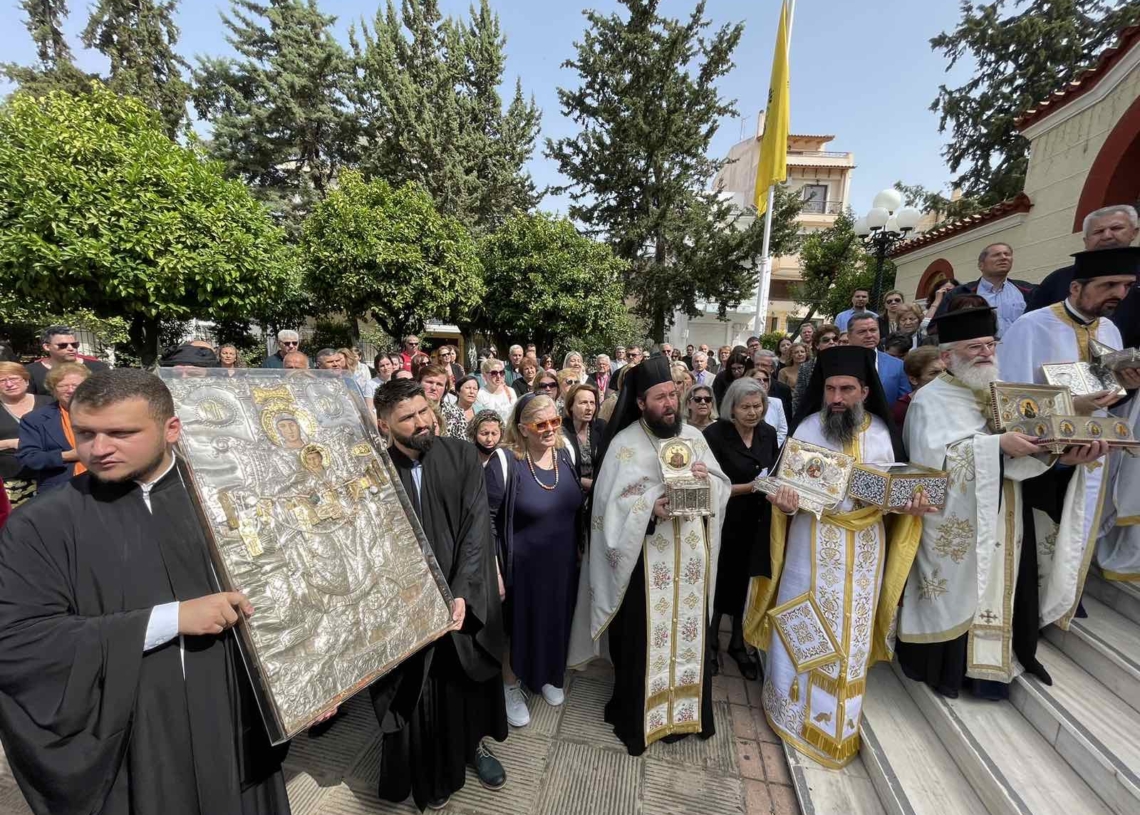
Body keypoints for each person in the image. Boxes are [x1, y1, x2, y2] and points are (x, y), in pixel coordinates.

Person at [0, 369, 290, 814]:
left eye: (121, 433)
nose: (98, 449)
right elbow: (16, 641)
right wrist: (167, 620)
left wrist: (306, 686)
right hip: (135, 734)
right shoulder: (41, 525)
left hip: (233, 715)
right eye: (85, 433)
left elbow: (290, 591)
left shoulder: (236, 497)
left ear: (172, 428)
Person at [897, 307, 1107, 699]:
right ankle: (952, 669)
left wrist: (1059, 456)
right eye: (973, 347)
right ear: (946, 357)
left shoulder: (1005, 392)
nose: (985, 353)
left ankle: (996, 665)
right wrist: (997, 445)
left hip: (1006, 508)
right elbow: (934, 463)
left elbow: (1032, 442)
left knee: (1003, 583)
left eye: (990, 345)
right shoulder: (930, 400)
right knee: (964, 588)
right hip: (958, 518)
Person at [743, 346, 931, 768]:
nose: (837, 398)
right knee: (802, 619)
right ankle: (791, 711)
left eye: (847, 388)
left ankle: (838, 724)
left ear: (864, 390)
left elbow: (894, 494)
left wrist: (910, 505)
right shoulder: (809, 427)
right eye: (830, 388)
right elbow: (780, 488)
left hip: (865, 549)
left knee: (851, 633)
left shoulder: (882, 434)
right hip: (809, 547)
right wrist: (786, 502)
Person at [567, 355, 730, 756]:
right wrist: (648, 508)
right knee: (645, 641)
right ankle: (639, 717)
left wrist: (705, 481)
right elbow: (607, 509)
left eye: (673, 395)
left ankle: (687, 713)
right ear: (641, 403)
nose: (669, 404)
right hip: (644, 564)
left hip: (690, 557)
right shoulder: (624, 445)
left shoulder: (693, 437)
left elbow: (722, 487)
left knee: (688, 634)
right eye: (659, 398)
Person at [370, 380, 508, 810]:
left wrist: (463, 591)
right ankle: (418, 767)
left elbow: (473, 528)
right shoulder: (371, 470)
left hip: (462, 594)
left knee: (466, 677)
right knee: (415, 689)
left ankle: (475, 748)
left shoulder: (461, 454)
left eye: (424, 410)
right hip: (405, 599)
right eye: (407, 418)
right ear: (383, 425)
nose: (422, 422)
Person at [1000, 246, 1140, 583]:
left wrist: (1124, 383)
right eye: (1108, 286)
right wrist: (1072, 407)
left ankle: (1067, 593)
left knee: (1080, 525)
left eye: (1126, 286)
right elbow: (1009, 404)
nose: (1119, 294)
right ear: (1076, 287)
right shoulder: (1031, 326)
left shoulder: (1109, 330)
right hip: (1043, 460)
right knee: (1038, 545)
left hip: (1093, 451)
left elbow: (1105, 395)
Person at [493, 394, 583, 727]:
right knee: (516, 626)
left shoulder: (565, 452)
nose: (549, 429)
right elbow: (486, 518)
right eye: (540, 424)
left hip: (561, 561)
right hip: (523, 565)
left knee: (555, 618)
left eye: (554, 421)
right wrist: (494, 569)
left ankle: (546, 673)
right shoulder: (505, 460)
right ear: (522, 429)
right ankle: (511, 684)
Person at [703, 378, 779, 681]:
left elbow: (774, 471)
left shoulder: (768, 433)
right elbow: (709, 485)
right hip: (724, 519)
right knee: (720, 581)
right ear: (731, 409)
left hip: (758, 520)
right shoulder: (715, 434)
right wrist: (751, 486)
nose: (752, 412)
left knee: (746, 582)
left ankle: (738, 643)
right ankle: (709, 644)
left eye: (757, 406)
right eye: (745, 407)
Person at [17, 362, 91, 492]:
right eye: (63, 386)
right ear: (53, 389)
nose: (70, 390)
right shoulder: (35, 419)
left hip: (106, 484)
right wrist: (67, 456)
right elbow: (29, 458)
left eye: (76, 385)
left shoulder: (106, 412)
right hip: (59, 490)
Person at [933, 243, 1035, 336]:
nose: (1004, 257)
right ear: (981, 265)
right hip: (980, 353)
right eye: (996, 255)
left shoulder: (1029, 291)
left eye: (1007, 254)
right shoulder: (959, 293)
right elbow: (936, 328)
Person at [0, 362, 52, 508]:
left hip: (51, 473)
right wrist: (10, 443)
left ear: (26, 380)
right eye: (2, 381)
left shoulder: (49, 403)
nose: (9, 384)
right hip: (10, 480)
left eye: (14, 378)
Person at [847, 313, 911, 406]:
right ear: (849, 337)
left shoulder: (898, 365)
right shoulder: (837, 364)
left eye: (873, 330)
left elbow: (903, 403)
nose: (869, 335)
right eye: (862, 331)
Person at [25, 326, 109, 395]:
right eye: (63, 345)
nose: (71, 348)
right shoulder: (31, 372)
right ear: (47, 347)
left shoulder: (99, 368)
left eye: (74, 344)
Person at [562, 383, 605, 494]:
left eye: (592, 403)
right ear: (571, 406)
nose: (589, 408)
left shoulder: (601, 427)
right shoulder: (561, 431)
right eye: (583, 403)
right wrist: (589, 484)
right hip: (569, 491)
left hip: (597, 493)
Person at [791, 324, 840, 415]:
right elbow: (798, 398)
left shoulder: (845, 365)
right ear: (817, 345)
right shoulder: (806, 367)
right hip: (813, 416)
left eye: (835, 339)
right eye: (826, 340)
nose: (832, 342)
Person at [892, 346, 944, 428]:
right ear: (913, 379)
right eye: (934, 373)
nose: (943, 377)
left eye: (945, 371)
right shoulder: (903, 409)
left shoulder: (955, 399)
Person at [749, 367, 788, 447]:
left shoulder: (777, 402)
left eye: (765, 380)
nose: (762, 382)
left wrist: (773, 446)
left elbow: (783, 430)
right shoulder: (744, 404)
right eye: (758, 380)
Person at [449, 375, 481, 440]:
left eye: (475, 389)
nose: (472, 392)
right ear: (458, 391)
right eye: (468, 388)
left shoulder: (481, 412)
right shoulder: (449, 412)